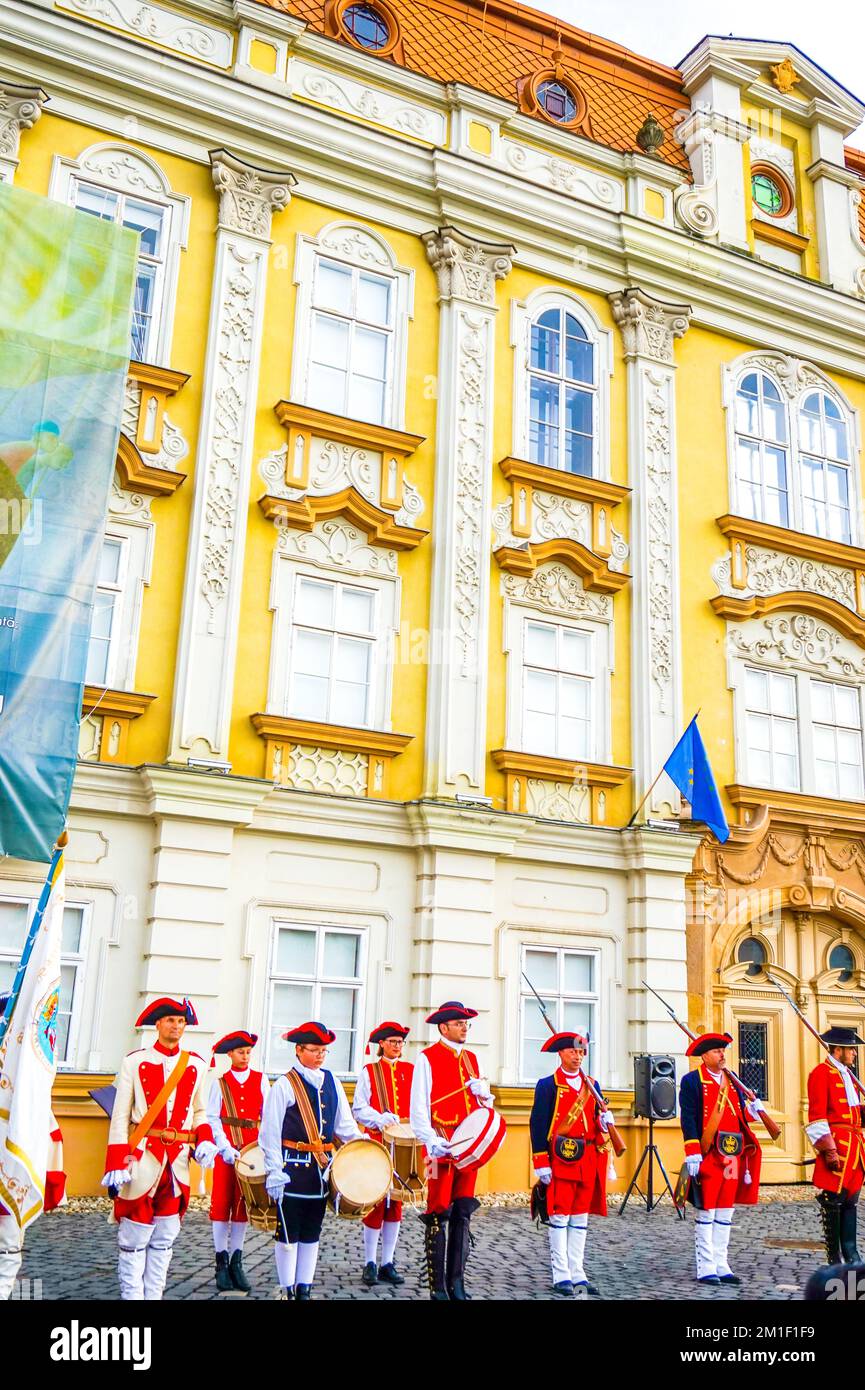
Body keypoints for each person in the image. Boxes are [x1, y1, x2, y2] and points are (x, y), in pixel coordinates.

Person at [101, 997, 217, 1300]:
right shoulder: (134, 1061)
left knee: (165, 1237)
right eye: (170, 1021)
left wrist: (204, 1139)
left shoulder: (196, 1065)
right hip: (142, 1157)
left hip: (177, 1162)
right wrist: (115, 1162)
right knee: (134, 1236)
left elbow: (200, 1111)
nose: (176, 1026)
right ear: (158, 1024)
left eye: (181, 1022)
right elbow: (120, 1117)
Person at [260, 1021, 365, 1300]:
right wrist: (273, 1170)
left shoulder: (332, 1081)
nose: (320, 1055)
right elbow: (270, 1131)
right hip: (291, 1170)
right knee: (288, 1235)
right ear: (298, 1050)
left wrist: (364, 1148)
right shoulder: (285, 1084)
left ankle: (304, 1288)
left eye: (324, 1050)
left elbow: (345, 1126)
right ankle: (287, 1288)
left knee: (312, 1232)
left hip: (321, 1172)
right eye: (314, 1049)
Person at [410, 1000, 493, 1300]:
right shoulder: (427, 1058)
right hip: (438, 1146)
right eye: (459, 1023)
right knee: (437, 1211)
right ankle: (437, 1287)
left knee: (462, 1210)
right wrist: (429, 1140)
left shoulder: (472, 1059)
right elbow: (418, 1107)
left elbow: (482, 1107)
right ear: (443, 1027)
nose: (465, 1028)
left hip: (467, 1148)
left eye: (466, 1023)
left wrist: (485, 1095)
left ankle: (457, 1282)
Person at [529, 1031, 612, 1296]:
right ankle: (561, 1273)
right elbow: (538, 1124)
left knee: (580, 1217)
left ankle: (578, 1272)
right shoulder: (548, 1085)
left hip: (587, 1158)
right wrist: (541, 1160)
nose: (578, 1057)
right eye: (572, 1052)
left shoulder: (593, 1086)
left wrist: (603, 1122)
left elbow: (596, 1120)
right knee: (560, 1215)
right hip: (561, 1159)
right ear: (561, 1054)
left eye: (581, 1052)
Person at [680, 1031, 765, 1286]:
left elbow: (738, 1115)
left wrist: (753, 1109)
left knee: (726, 1210)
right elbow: (689, 1117)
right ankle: (706, 1266)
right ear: (705, 1056)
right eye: (717, 1051)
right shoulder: (692, 1081)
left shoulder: (732, 1080)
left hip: (731, 1156)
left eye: (723, 1051)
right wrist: (692, 1151)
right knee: (707, 1210)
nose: (722, 1055)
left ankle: (721, 1263)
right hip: (709, 1155)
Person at [0, 989, 67, 1300]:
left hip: (11, 1166)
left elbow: (46, 1125)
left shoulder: (26, 1073)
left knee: (8, 1246)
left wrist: (50, 1175)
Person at [207, 1029, 269, 1293]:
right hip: (227, 1151)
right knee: (222, 1204)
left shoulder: (261, 1079)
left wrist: (263, 1148)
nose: (245, 1056)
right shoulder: (219, 1083)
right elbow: (212, 1118)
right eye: (241, 1052)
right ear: (230, 1054)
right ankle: (221, 1261)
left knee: (244, 1205)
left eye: (248, 1052)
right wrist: (224, 1146)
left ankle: (237, 1260)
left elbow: (267, 1117)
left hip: (252, 1151)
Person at [352, 1020, 412, 1286]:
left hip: (402, 1145)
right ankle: (369, 1263)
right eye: (393, 1042)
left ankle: (388, 1261)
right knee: (375, 1203)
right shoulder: (369, 1071)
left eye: (400, 1042)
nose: (397, 1046)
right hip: (377, 1142)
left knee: (395, 1205)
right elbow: (358, 1108)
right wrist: (379, 1118)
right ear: (382, 1044)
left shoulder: (411, 1071)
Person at [805, 1026, 865, 1265]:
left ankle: (851, 1252)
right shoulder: (822, 1073)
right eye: (851, 1049)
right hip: (838, 1146)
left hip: (856, 1148)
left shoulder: (847, 1075)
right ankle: (834, 1257)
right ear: (838, 1050)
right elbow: (817, 1116)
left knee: (851, 1201)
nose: (855, 1054)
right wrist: (829, 1150)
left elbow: (853, 1113)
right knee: (833, 1201)